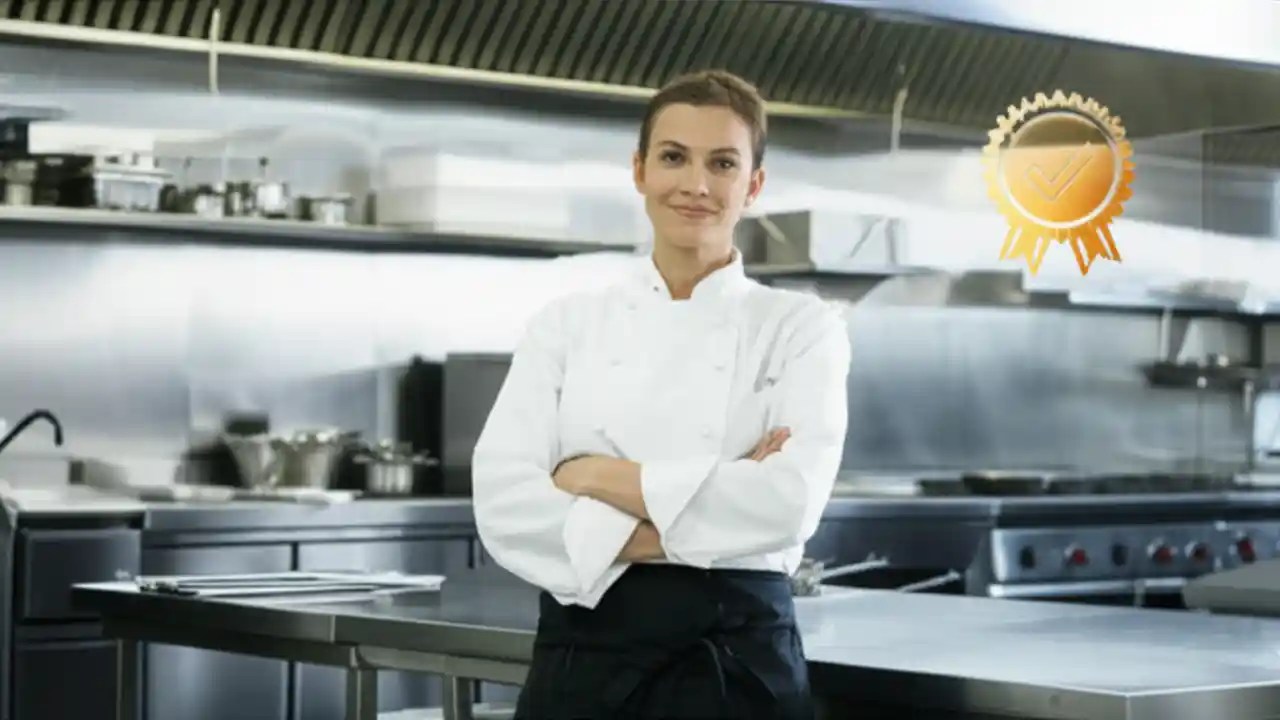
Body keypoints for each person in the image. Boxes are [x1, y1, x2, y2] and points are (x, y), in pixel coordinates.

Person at [471, 69, 851, 720]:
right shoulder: (567, 325)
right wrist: (715, 512)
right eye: (674, 157)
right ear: (640, 169)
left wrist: (592, 475)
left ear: (752, 185)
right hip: (583, 666)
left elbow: (788, 503)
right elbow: (503, 502)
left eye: (723, 163)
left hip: (736, 669)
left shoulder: (799, 326)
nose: (696, 185)